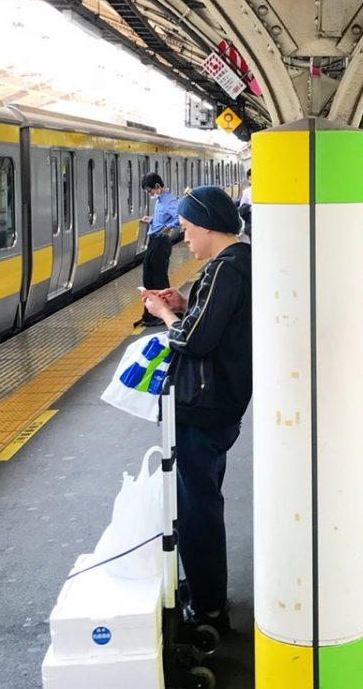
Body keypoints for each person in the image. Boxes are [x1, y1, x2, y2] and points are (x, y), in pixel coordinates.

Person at [140, 186, 252, 634]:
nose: (184, 238)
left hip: (204, 403)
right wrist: (186, 305)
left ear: (207, 225)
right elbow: (220, 322)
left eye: (187, 228)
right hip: (222, 401)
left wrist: (162, 314)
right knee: (202, 499)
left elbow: (194, 340)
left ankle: (208, 608)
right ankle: (208, 591)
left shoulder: (226, 267)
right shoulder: (242, 260)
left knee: (197, 508)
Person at [136, 173, 180, 328]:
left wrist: (169, 227)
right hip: (154, 240)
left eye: (150, 191)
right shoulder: (161, 200)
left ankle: (162, 313)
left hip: (161, 241)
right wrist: (152, 220)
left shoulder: (169, 200)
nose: (150, 194)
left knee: (158, 279)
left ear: (157, 186)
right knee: (149, 277)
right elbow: (163, 219)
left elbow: (179, 216)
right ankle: (150, 314)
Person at [238, 169, 252, 238]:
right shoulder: (246, 192)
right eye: (250, 179)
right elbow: (241, 209)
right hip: (251, 226)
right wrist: (249, 208)